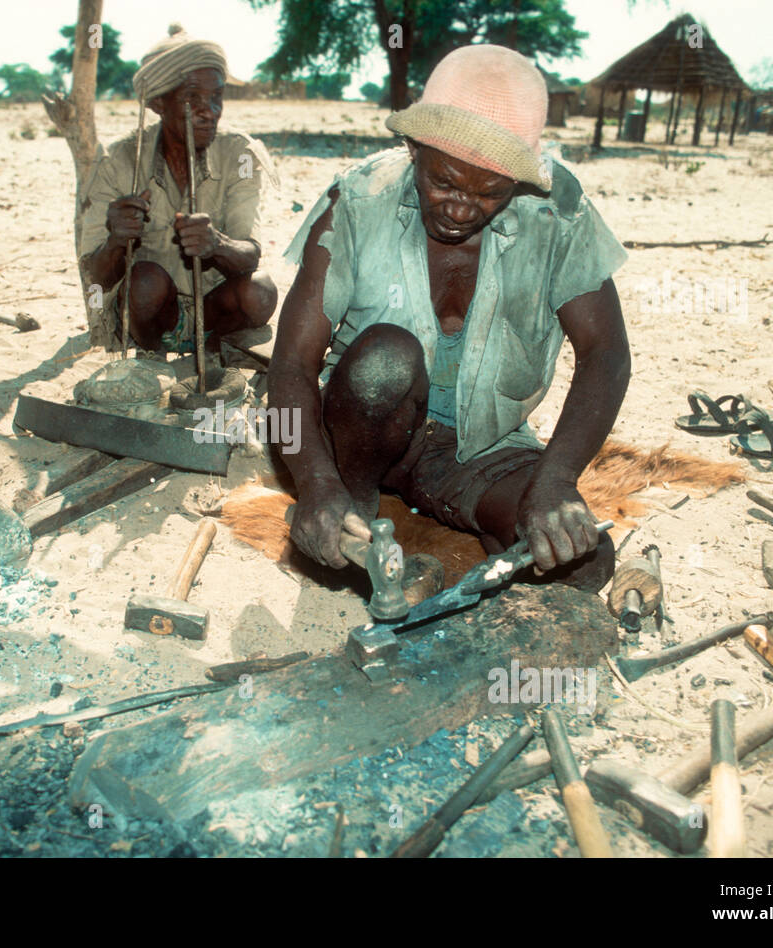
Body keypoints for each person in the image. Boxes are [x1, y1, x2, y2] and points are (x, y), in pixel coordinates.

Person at [269, 45, 630, 589]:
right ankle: (355, 511)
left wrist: (555, 480)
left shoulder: (557, 214)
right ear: (413, 147)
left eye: (491, 194)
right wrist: (317, 483)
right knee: (384, 360)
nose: (462, 208)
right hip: (363, 431)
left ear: (521, 180)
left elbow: (606, 354)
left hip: (482, 447)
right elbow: (291, 362)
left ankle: (458, 517)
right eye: (445, 181)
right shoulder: (359, 202)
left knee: (582, 560)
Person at [78, 26, 277, 354]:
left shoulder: (239, 153)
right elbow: (96, 280)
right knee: (144, 282)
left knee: (261, 290)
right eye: (192, 99)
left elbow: (250, 256)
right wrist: (116, 241)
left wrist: (218, 244)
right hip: (148, 314)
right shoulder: (119, 160)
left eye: (217, 97)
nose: (209, 112)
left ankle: (210, 351)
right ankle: (154, 352)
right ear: (157, 102)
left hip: (214, 310)